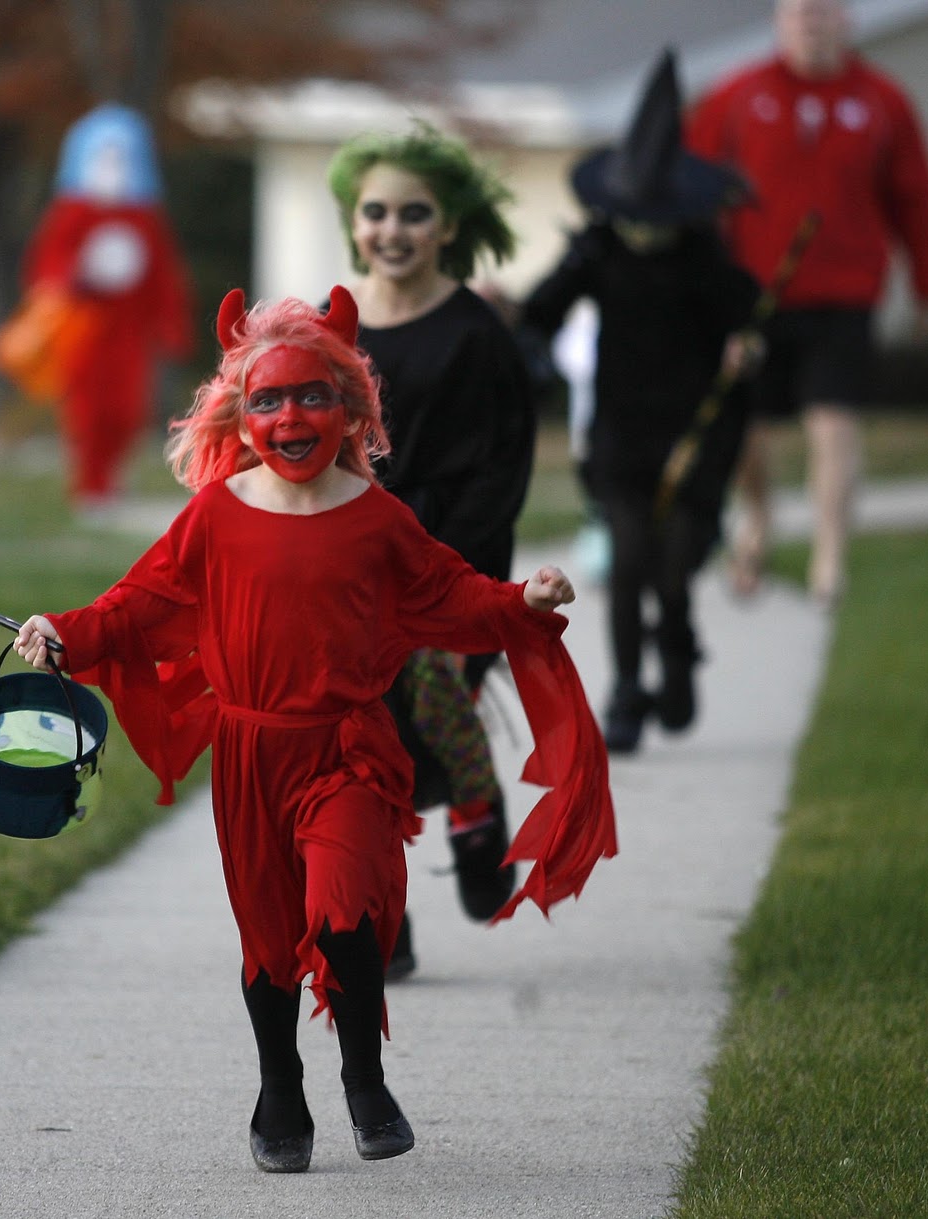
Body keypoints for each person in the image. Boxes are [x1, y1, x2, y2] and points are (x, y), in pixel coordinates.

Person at [12, 285, 616, 1174]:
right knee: (267, 940)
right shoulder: (216, 516)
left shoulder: (376, 517)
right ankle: (280, 1086)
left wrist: (518, 598)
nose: (290, 416)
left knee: (344, 905)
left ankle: (365, 1077)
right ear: (240, 412)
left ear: (349, 408)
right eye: (268, 400)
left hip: (350, 748)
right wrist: (65, 629)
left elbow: (447, 591)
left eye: (311, 396)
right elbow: (139, 603)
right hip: (253, 753)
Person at [325, 124, 538, 976]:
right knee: (361, 745)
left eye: (415, 213)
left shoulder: (478, 335)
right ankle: (385, 922)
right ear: (354, 221)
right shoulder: (333, 327)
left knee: (428, 712)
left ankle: (476, 806)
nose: (393, 229)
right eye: (375, 212)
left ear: (449, 224)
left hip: (454, 561)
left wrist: (433, 567)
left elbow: (503, 467)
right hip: (350, 568)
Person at [520, 49, 761, 754]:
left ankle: (678, 644)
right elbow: (542, 313)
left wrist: (747, 350)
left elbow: (749, 319)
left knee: (676, 563)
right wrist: (527, 352)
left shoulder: (703, 257)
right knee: (627, 562)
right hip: (624, 430)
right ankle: (627, 688)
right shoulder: (598, 250)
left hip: (694, 430)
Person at [687, 0, 928, 606]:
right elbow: (694, 186)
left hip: (844, 295)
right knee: (747, 431)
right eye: (800, 11)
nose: (813, 20)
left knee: (833, 425)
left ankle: (829, 557)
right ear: (780, 21)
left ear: (847, 20)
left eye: (825, 10)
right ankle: (756, 523)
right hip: (754, 295)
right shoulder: (737, 95)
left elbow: (916, 198)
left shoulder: (883, 101)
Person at [0, 104, 195, 522]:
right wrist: (74, 278)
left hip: (130, 333)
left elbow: (163, 277)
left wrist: (172, 326)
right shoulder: (70, 214)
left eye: (121, 158)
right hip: (83, 331)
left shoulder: (145, 218)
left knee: (127, 410)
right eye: (103, 157)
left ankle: (112, 479)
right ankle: (90, 485)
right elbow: (46, 268)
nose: (112, 167)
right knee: (87, 411)